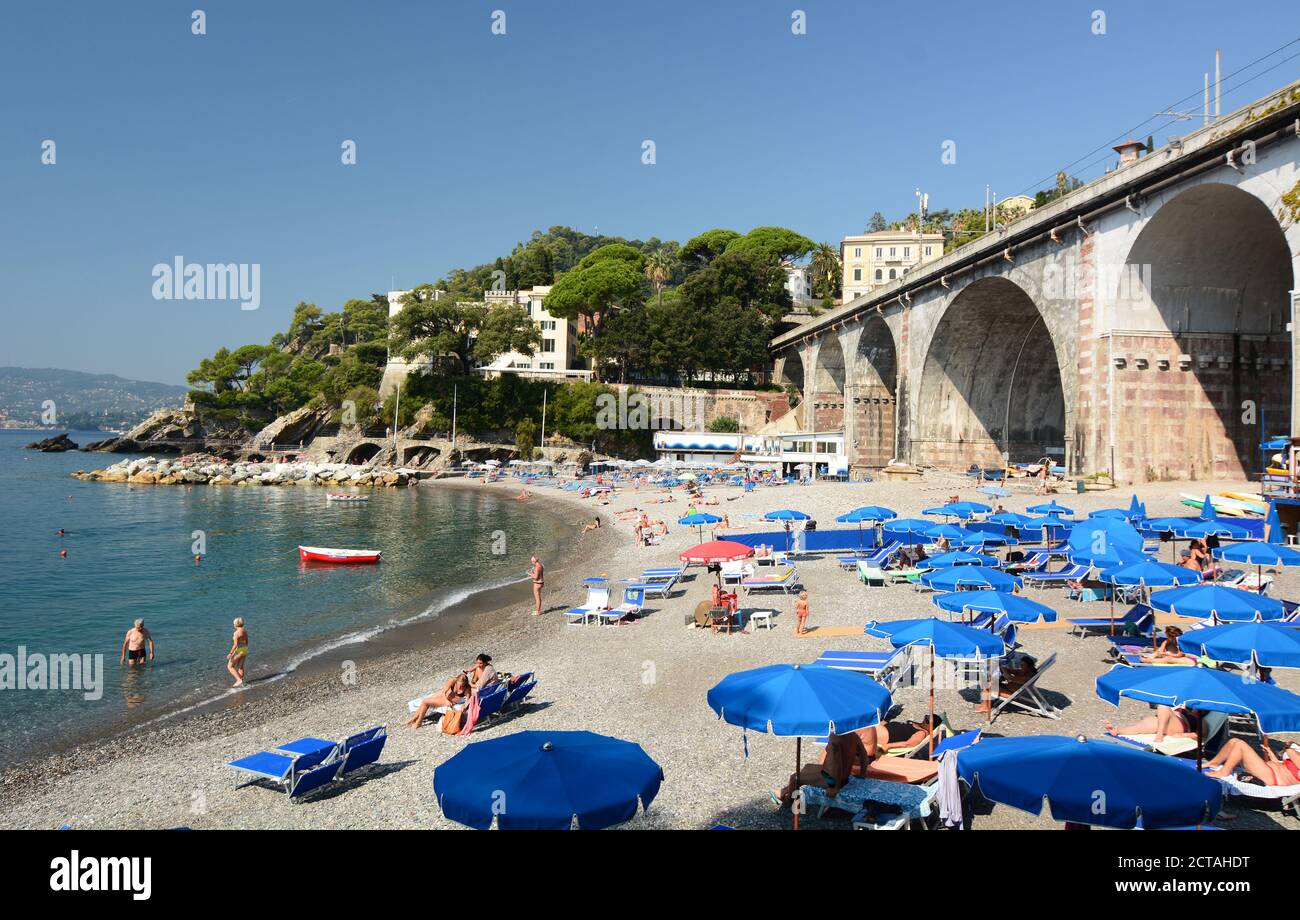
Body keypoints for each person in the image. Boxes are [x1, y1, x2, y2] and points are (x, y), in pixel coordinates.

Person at [772, 730, 872, 807]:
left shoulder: (835, 740)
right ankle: (786, 790)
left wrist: (833, 787)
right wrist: (862, 774)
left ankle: (788, 801)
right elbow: (863, 754)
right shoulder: (853, 735)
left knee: (794, 777)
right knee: (808, 767)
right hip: (844, 776)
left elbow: (835, 765)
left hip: (830, 778)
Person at [1205, 737, 1300, 785]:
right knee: (1234, 741)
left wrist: (1294, 748)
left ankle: (1224, 772)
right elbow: (1284, 768)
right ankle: (1214, 762)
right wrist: (1270, 754)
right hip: (1269, 770)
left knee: (1240, 745)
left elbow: (1290, 751)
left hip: (1270, 776)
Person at [1106, 705, 1204, 743]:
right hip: (1165, 722)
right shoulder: (1183, 707)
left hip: (1181, 726)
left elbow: (1201, 735)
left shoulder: (1200, 720)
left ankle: (1159, 734)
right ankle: (1117, 730)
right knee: (1141, 726)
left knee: (1163, 704)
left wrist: (1184, 735)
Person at [404, 673, 471, 730]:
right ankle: (414, 719)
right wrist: (446, 701)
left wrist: (463, 705)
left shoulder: (467, 687)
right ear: (457, 680)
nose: (460, 686)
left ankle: (418, 722)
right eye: (459, 684)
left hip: (451, 701)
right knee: (426, 700)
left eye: (462, 685)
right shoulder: (452, 681)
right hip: (445, 698)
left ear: (465, 683)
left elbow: (467, 699)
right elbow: (443, 692)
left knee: (425, 702)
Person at [227, 618, 249, 687]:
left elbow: (235, 645)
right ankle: (241, 681)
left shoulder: (236, 633)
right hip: (245, 649)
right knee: (240, 666)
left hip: (239, 650)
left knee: (230, 666)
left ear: (236, 624)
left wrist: (230, 653)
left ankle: (239, 680)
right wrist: (244, 649)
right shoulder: (245, 631)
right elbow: (247, 641)